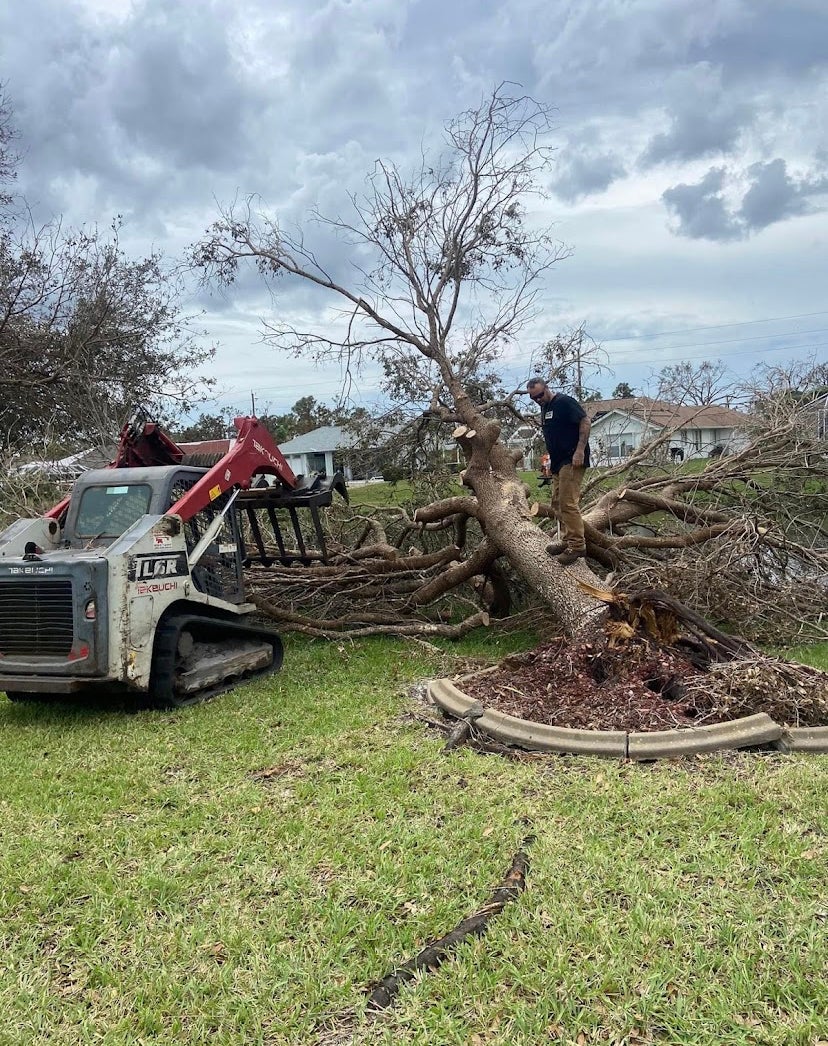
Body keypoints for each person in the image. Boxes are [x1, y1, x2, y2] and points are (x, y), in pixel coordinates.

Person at [527, 377, 591, 565]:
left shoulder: (564, 402)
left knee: (567, 502)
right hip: (557, 461)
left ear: (547, 388)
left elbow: (585, 421)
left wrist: (580, 450)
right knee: (556, 502)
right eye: (533, 398)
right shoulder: (545, 408)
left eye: (539, 395)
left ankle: (577, 546)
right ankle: (566, 539)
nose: (538, 400)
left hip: (572, 459)